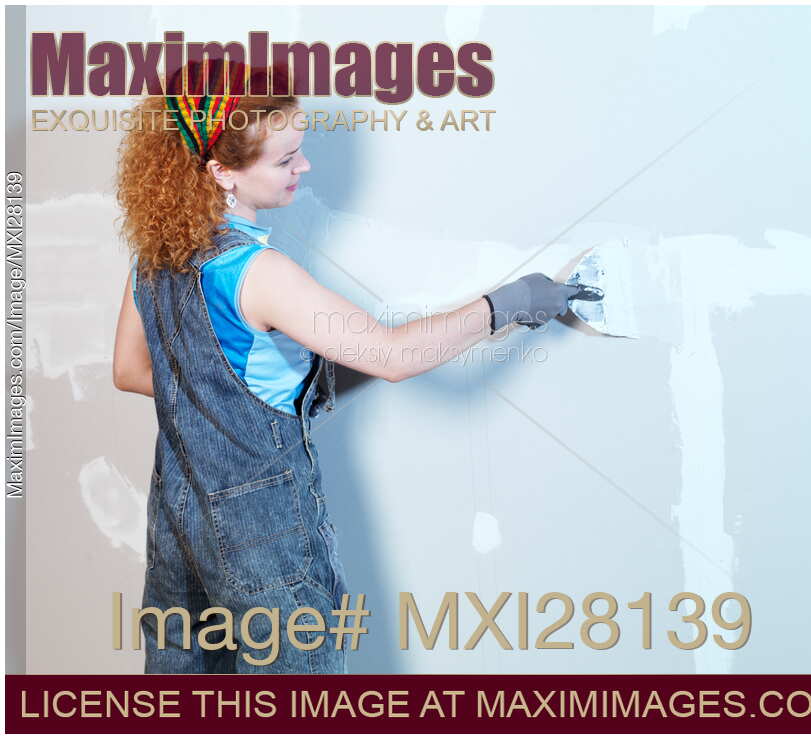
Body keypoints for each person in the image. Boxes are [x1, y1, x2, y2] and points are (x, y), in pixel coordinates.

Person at [112, 62, 588, 674]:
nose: (303, 168)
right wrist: (511, 304)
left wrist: (255, 386)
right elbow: (394, 356)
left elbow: (131, 369)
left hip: (181, 525)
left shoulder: (156, 257)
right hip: (263, 538)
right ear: (221, 171)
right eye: (285, 160)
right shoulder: (259, 273)